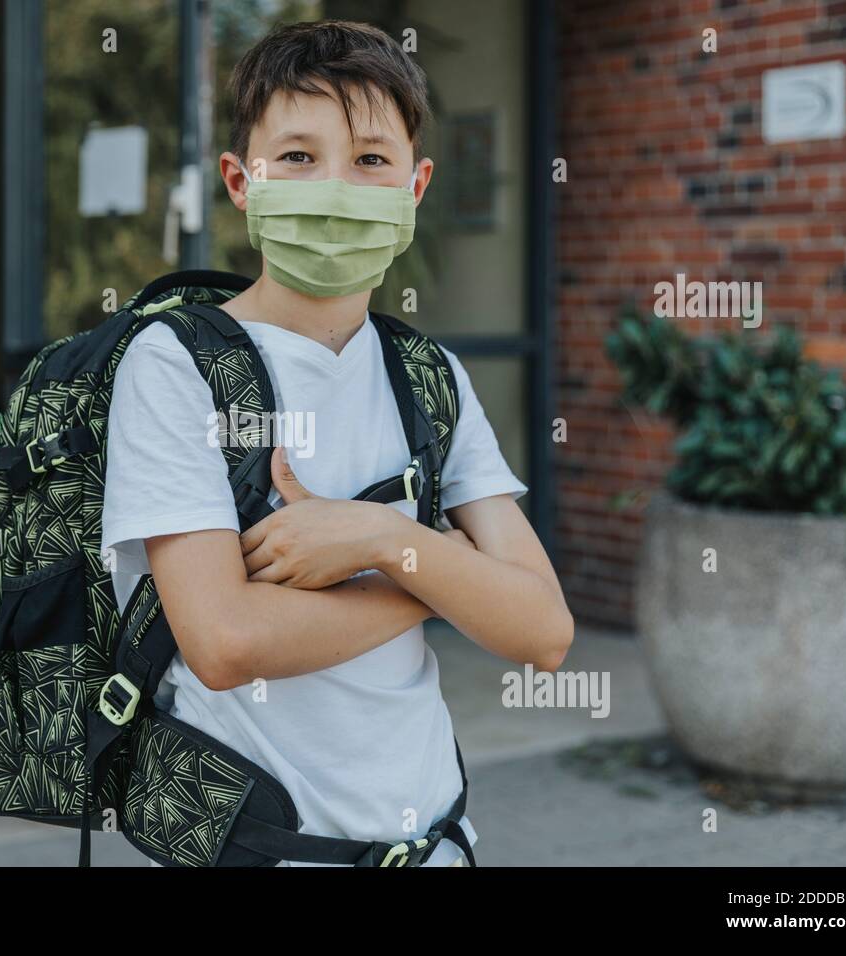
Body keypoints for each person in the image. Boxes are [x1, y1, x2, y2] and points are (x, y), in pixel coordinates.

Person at [101, 20, 574, 866]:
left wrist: (380, 538)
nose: (334, 187)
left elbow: (542, 632)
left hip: (436, 841)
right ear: (240, 182)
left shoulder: (428, 377)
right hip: (268, 848)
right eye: (296, 157)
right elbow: (227, 644)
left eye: (369, 160)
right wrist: (445, 574)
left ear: (416, 184)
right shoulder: (175, 365)